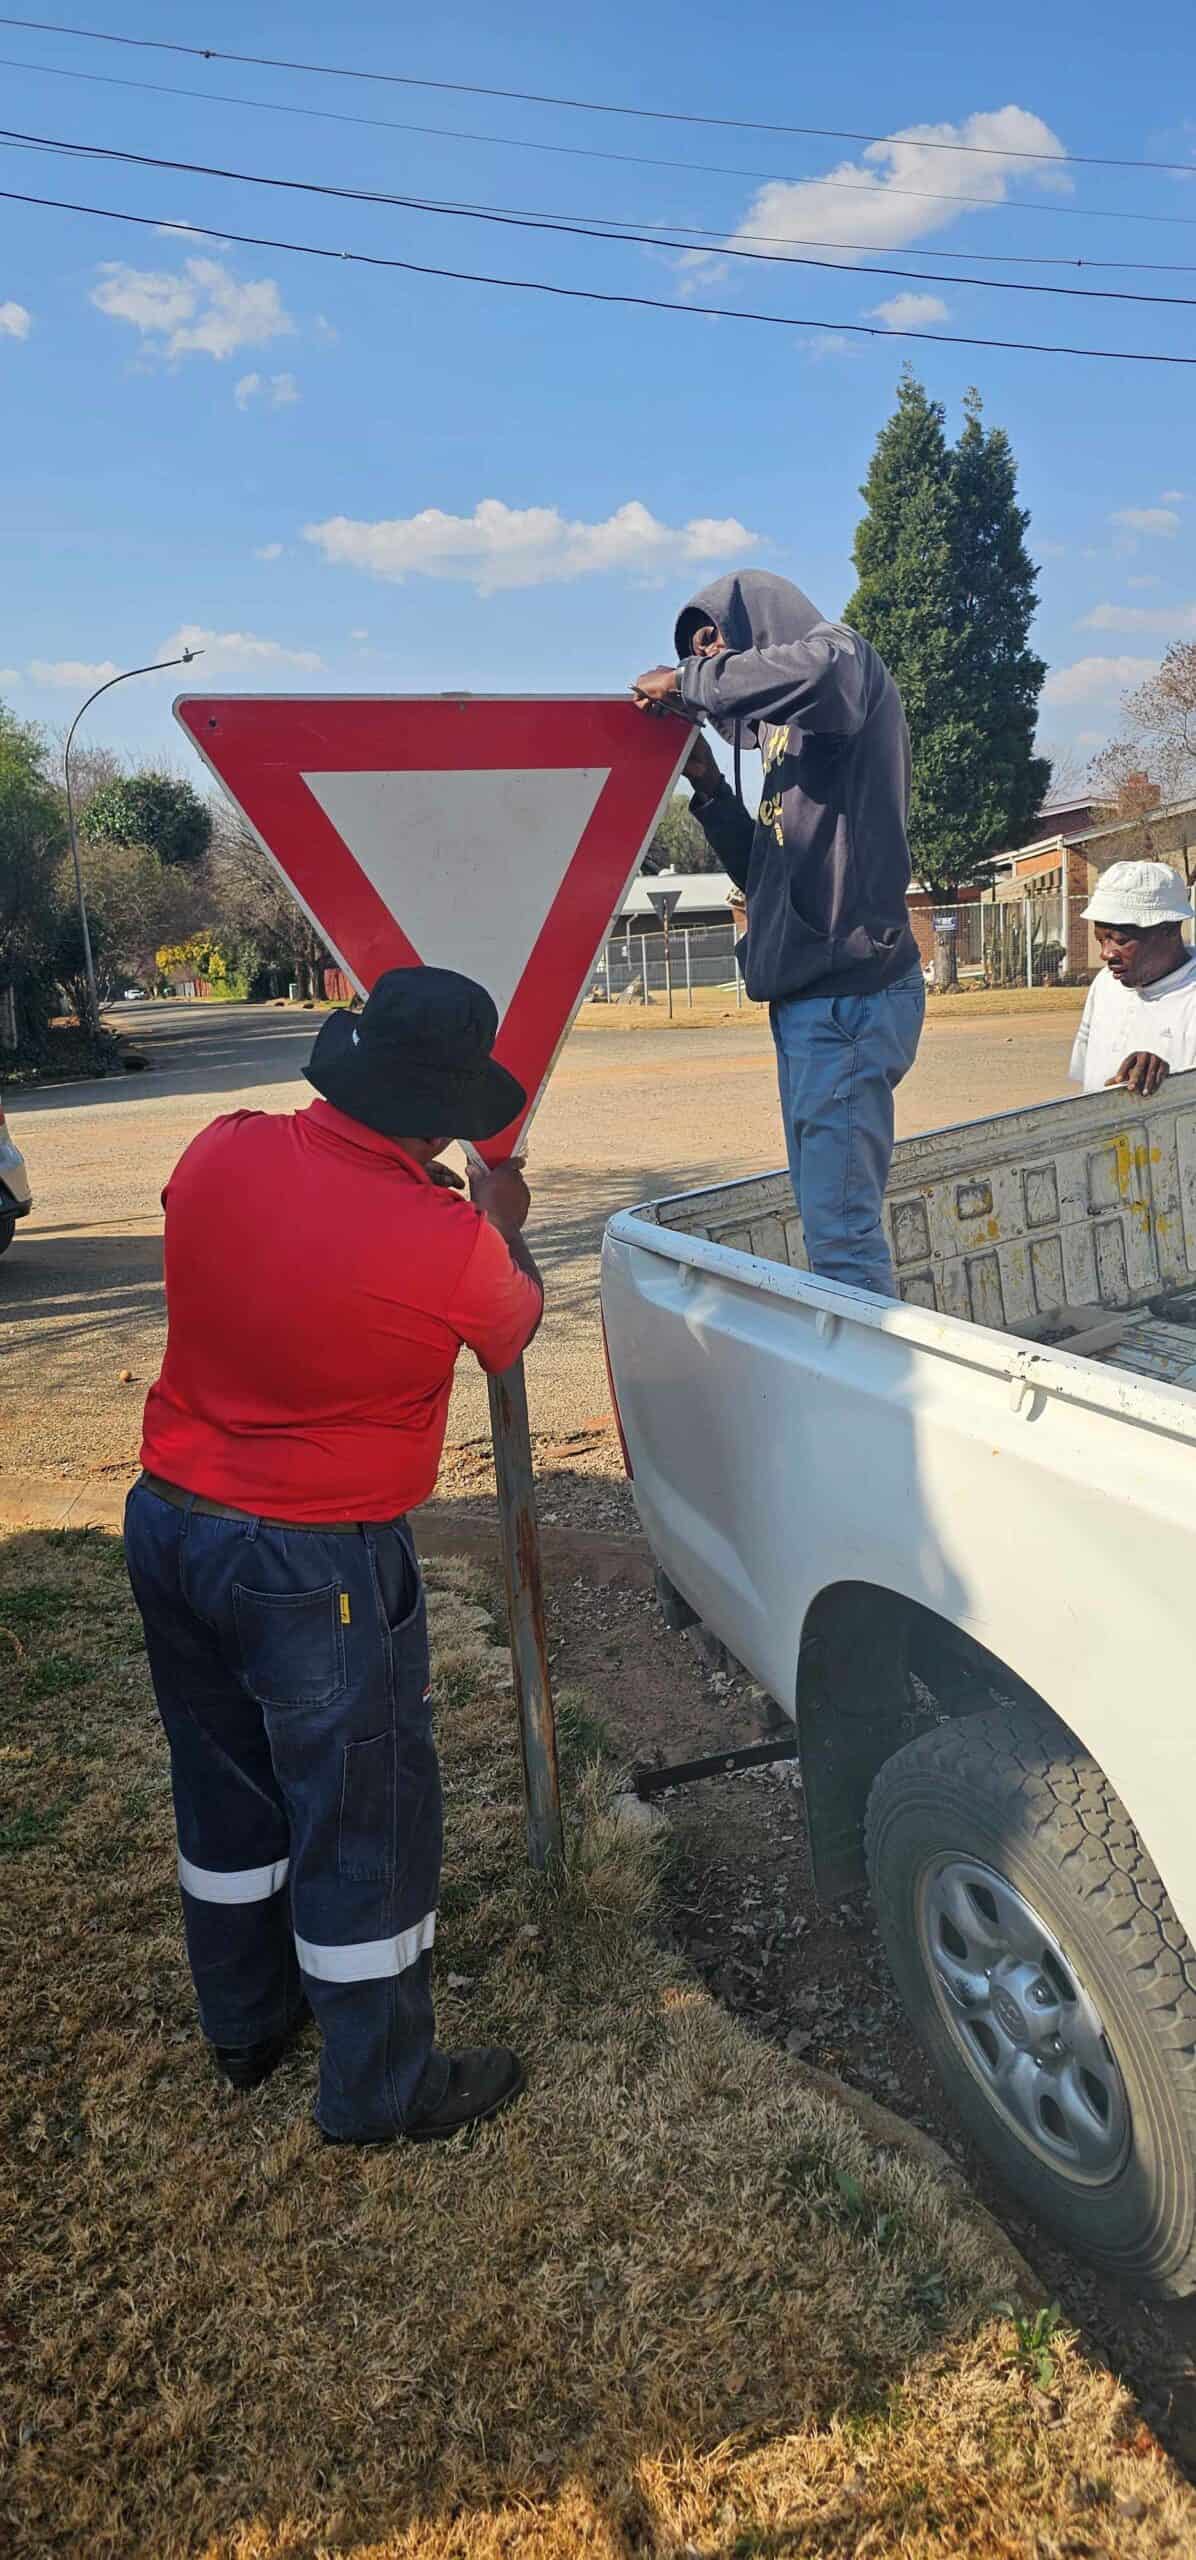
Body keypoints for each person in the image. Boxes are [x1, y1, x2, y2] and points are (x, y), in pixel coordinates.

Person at [123, 967, 543, 2147]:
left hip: (172, 1522)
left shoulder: (223, 1146)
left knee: (222, 1782)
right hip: (314, 1562)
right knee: (362, 1809)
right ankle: (379, 2087)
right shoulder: (445, 1239)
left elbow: (217, 1228)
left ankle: (245, 2022)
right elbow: (510, 1326)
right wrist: (500, 1221)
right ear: (442, 1118)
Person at [633, 570, 924, 1296]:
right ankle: (859, 1357)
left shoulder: (843, 660)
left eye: (713, 639)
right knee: (830, 1226)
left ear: (758, 620)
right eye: (694, 651)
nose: (706, 658)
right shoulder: (784, 743)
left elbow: (825, 671)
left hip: (848, 997)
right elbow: (768, 877)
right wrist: (708, 786)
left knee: (842, 1240)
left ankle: (867, 1371)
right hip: (812, 1002)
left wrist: (689, 682)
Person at [1070, 861, 1196, 1098]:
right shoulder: (1105, 984)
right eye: (1101, 940)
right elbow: (1087, 1079)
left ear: (1169, 929)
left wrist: (1167, 1081)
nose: (1105, 954)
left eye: (1120, 940)